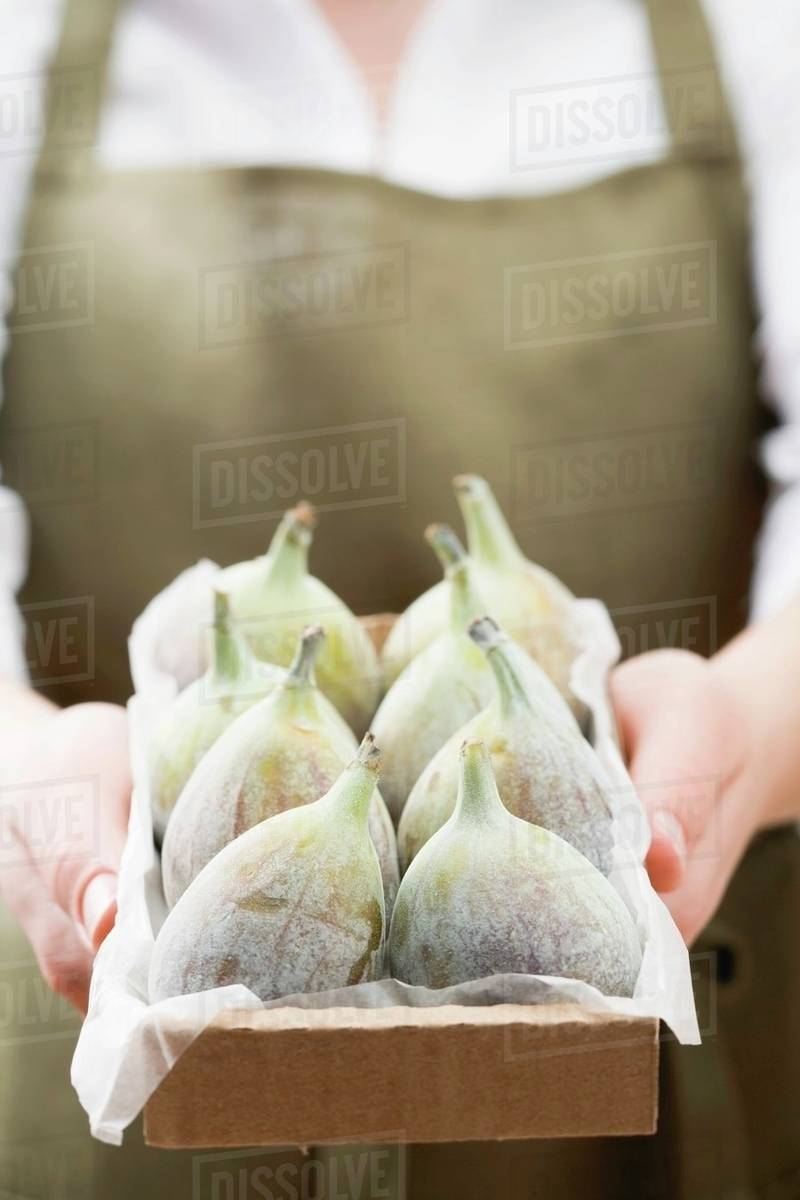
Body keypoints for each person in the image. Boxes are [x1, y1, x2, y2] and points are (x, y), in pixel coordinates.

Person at [0, 0, 799, 1196]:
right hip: (136, 1043)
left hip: (641, 1076)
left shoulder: (757, 32)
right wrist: (20, 760)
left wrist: (746, 724)